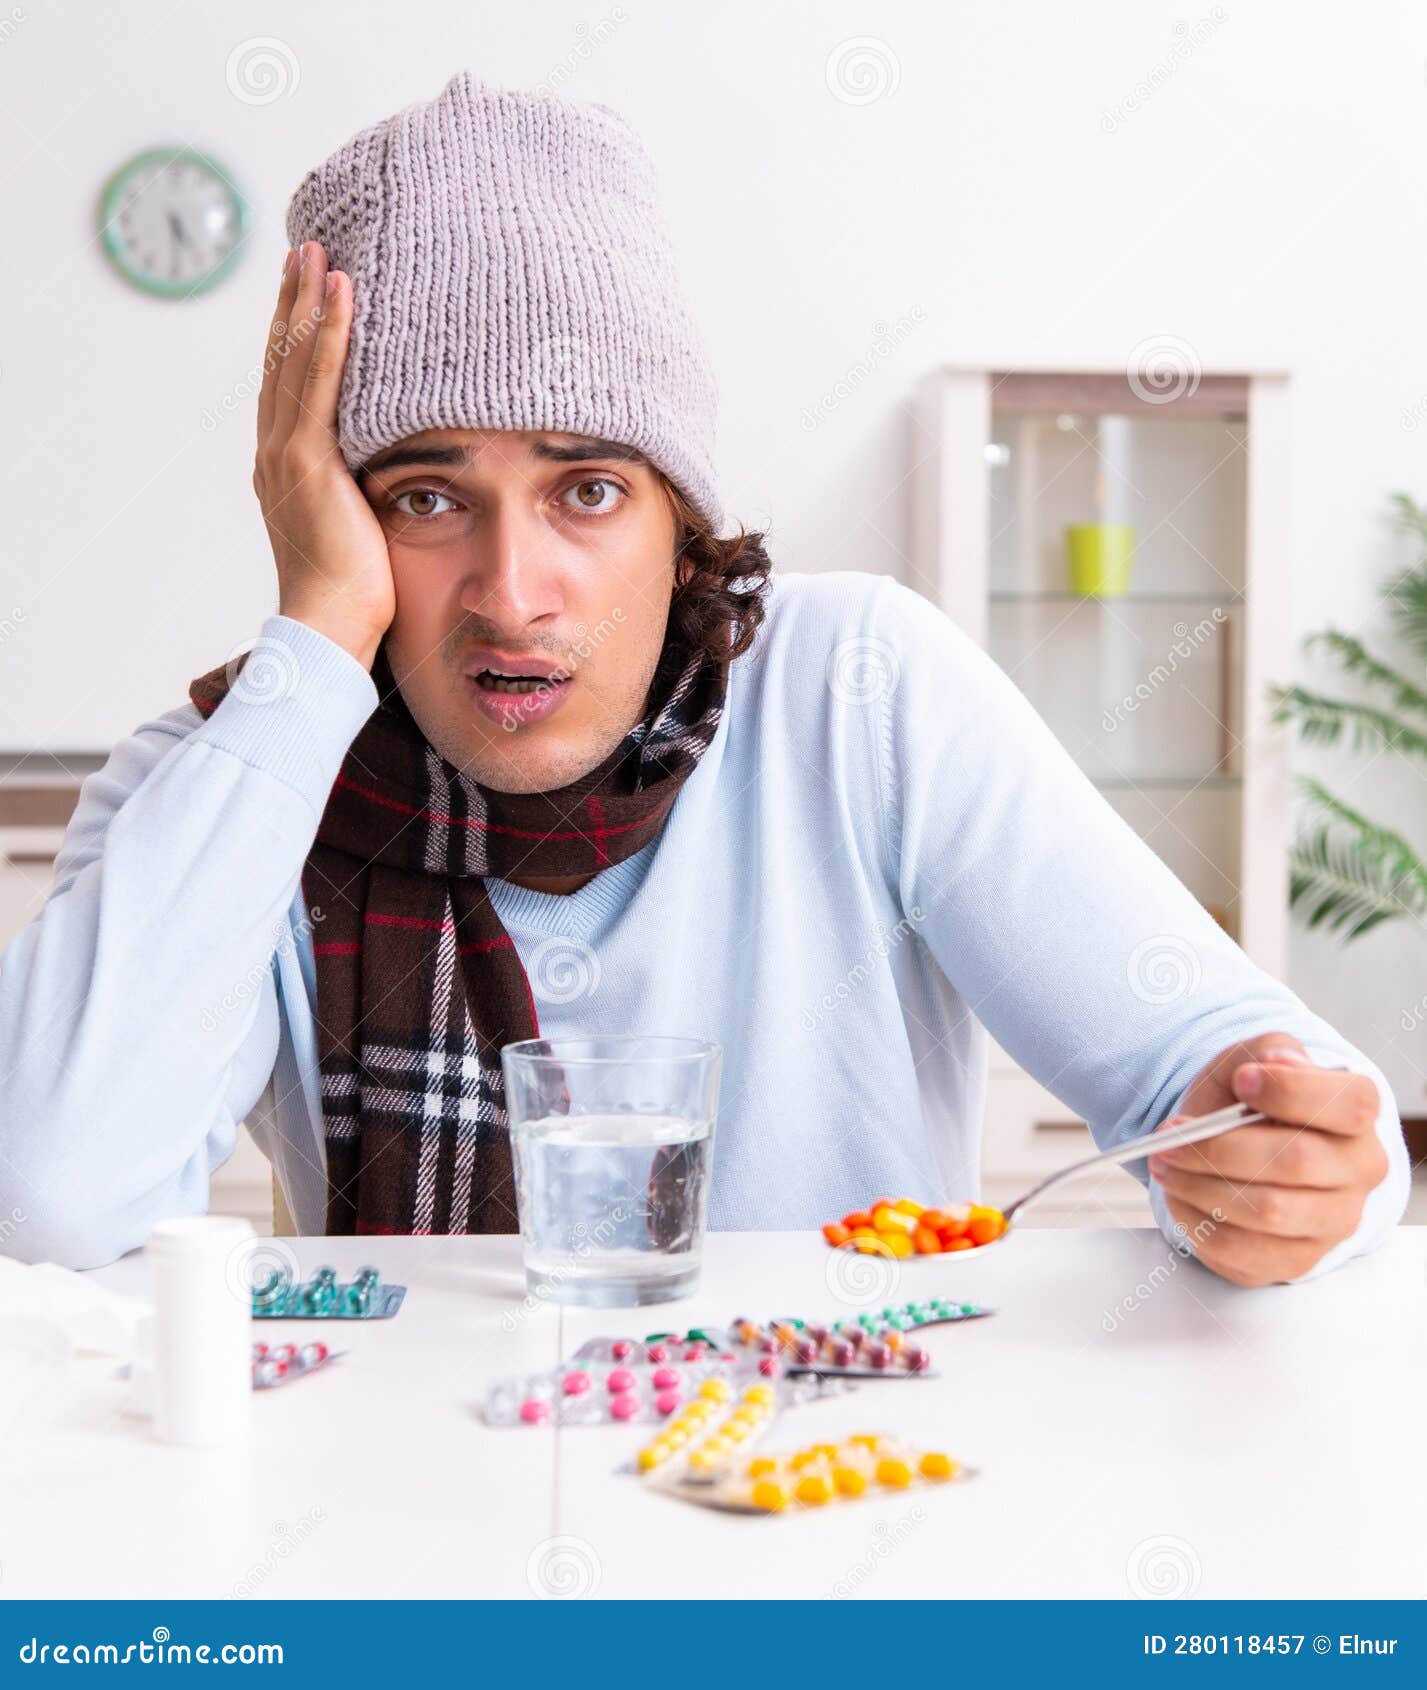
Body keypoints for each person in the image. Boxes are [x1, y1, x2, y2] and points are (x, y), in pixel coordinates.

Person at [0, 71, 1406, 1281]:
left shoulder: (858, 692)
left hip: (840, 1508)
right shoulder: (239, 772)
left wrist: (1306, 1172)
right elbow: (51, 1204)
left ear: (683, 521)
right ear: (337, 518)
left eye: (590, 488)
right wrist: (311, 654)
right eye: (426, 497)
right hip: (393, 1534)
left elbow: (1235, 1074)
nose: (510, 588)